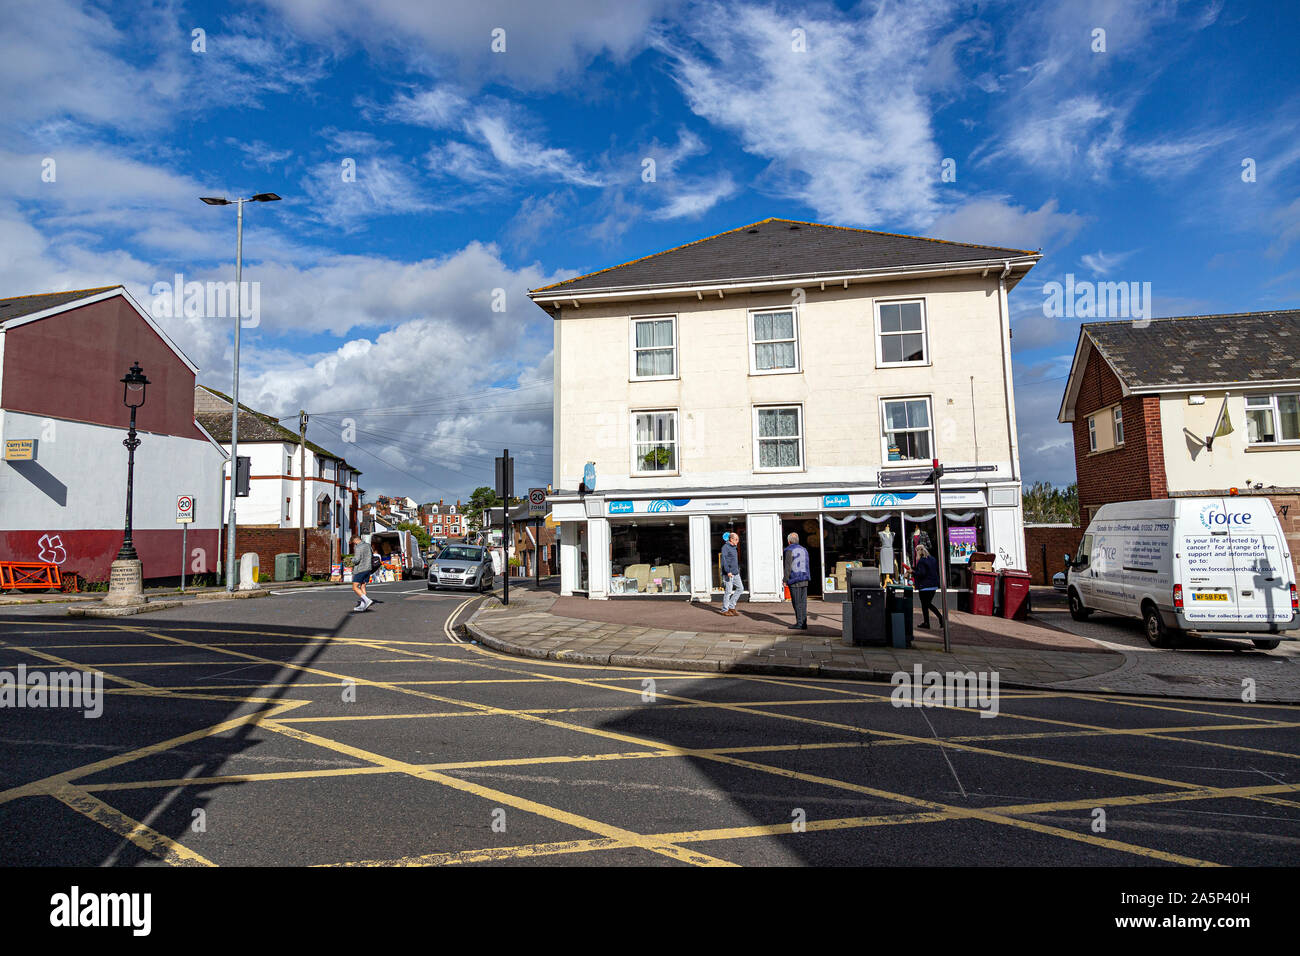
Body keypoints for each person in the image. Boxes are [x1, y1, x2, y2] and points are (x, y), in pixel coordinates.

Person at [782, 531, 810, 629]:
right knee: (803, 602)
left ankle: (799, 623)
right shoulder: (804, 549)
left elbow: (788, 566)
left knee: (796, 602)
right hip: (805, 578)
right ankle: (804, 622)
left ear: (789, 541)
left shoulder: (789, 550)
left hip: (795, 579)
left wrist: (785, 579)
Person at [913, 544, 943, 629]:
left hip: (925, 586)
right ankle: (927, 622)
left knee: (926, 604)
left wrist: (912, 572)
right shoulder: (933, 559)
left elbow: (921, 573)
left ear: (919, 552)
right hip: (933, 585)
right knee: (927, 604)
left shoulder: (921, 561)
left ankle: (939, 618)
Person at [350, 534, 374, 612]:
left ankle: (367, 600)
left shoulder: (358, 547)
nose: (354, 544)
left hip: (360, 569)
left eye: (354, 542)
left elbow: (357, 560)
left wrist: (351, 559)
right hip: (368, 568)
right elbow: (371, 555)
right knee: (363, 587)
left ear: (355, 540)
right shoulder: (368, 545)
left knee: (355, 587)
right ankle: (363, 606)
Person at [720, 531, 742, 616]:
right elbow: (724, 561)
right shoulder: (725, 547)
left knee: (740, 588)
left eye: (738, 539)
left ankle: (731, 607)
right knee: (728, 592)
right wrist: (728, 571)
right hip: (728, 573)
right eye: (736, 539)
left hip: (735, 573)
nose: (737, 541)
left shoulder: (734, 547)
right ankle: (724, 610)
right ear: (731, 539)